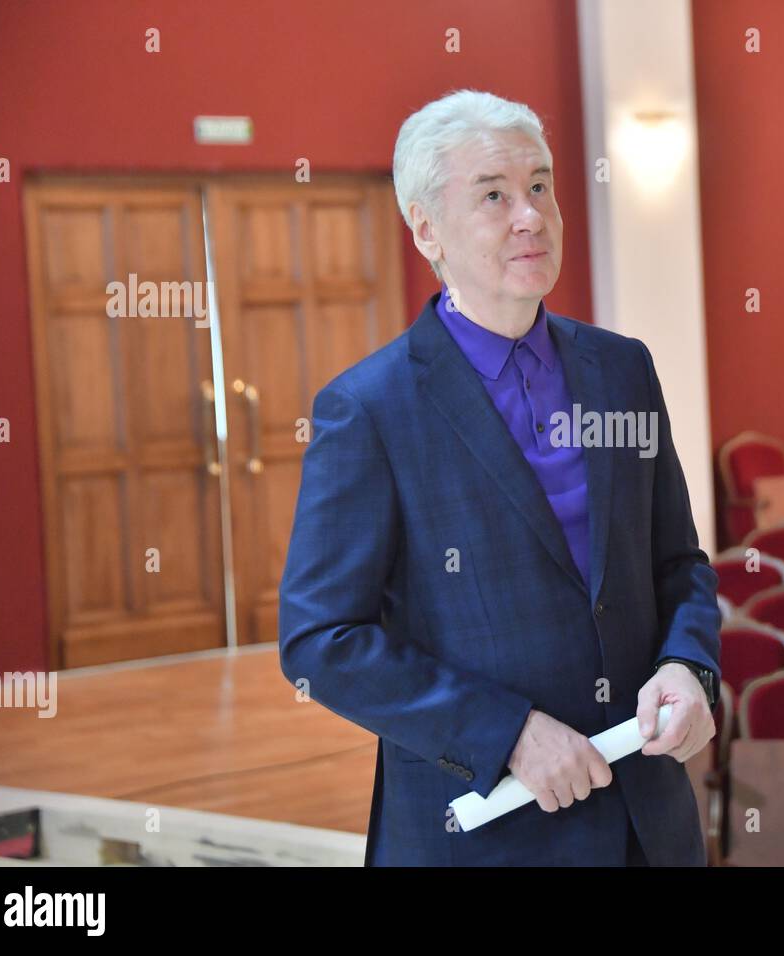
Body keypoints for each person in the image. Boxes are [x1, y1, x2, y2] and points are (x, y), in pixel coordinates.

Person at [278, 89, 720, 866]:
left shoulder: (622, 369)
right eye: (494, 195)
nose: (532, 215)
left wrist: (688, 666)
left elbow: (677, 564)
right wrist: (505, 732)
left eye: (541, 186)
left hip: (648, 824)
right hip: (483, 828)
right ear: (426, 228)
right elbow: (321, 641)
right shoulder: (368, 409)